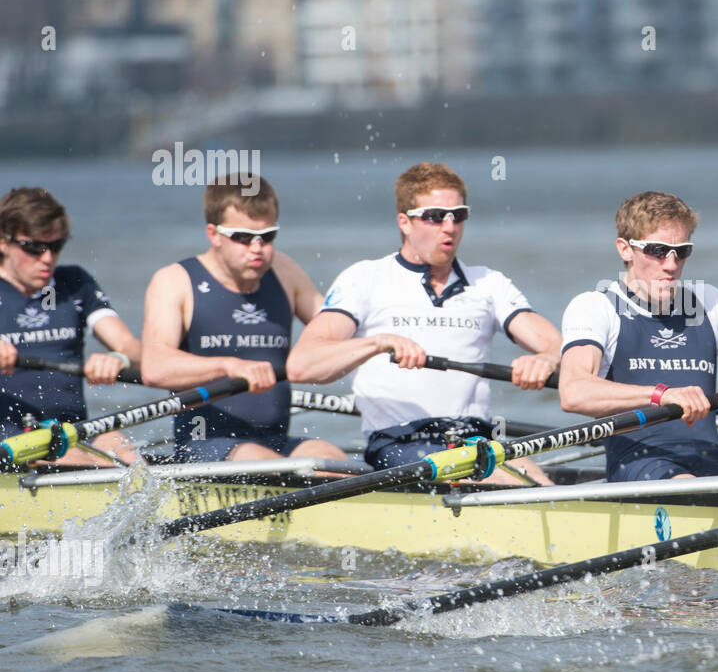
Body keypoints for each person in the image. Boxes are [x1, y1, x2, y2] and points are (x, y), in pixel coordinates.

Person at [286, 162, 560, 482]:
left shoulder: (488, 283)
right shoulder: (365, 279)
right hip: (401, 442)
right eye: (434, 216)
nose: (449, 227)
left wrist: (547, 358)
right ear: (404, 222)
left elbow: (557, 345)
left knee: (537, 481)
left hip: (475, 439)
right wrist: (378, 343)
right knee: (514, 484)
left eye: (457, 215)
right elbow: (302, 365)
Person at [140, 175, 346, 463]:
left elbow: (339, 330)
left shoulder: (285, 271)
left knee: (332, 460)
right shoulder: (175, 281)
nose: (257, 248)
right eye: (243, 238)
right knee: (265, 463)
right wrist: (229, 366)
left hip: (275, 443)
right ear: (213, 234)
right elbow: (154, 366)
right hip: (202, 446)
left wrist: (383, 342)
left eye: (268, 236)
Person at [559, 191, 718, 482]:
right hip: (640, 466)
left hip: (712, 464)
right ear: (625, 249)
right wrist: (660, 395)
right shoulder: (594, 307)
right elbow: (573, 393)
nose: (671, 264)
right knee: (693, 488)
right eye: (657, 250)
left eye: (682, 251)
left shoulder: (711, 302)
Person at [0, 187, 141, 465]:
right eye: (34, 248)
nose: (47, 259)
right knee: (75, 458)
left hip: (72, 432)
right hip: (9, 437)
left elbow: (133, 349)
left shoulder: (75, 284)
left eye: (56, 246)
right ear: (3, 242)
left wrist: (118, 358)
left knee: (125, 451)